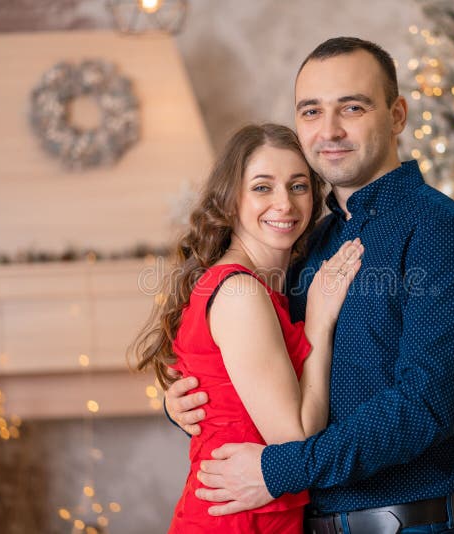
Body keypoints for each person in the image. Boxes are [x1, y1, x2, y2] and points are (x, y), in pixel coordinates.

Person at [166, 37, 454, 534]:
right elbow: (261, 368)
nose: (329, 130)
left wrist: (279, 470)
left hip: (405, 525)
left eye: (352, 107)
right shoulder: (309, 241)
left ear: (396, 115)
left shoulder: (440, 233)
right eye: (311, 111)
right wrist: (185, 404)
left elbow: (421, 407)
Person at [130, 123, 364, 533]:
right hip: (235, 523)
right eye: (262, 187)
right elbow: (295, 441)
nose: (284, 204)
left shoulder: (266, 284)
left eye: (298, 186)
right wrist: (320, 322)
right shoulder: (240, 293)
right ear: (230, 200)